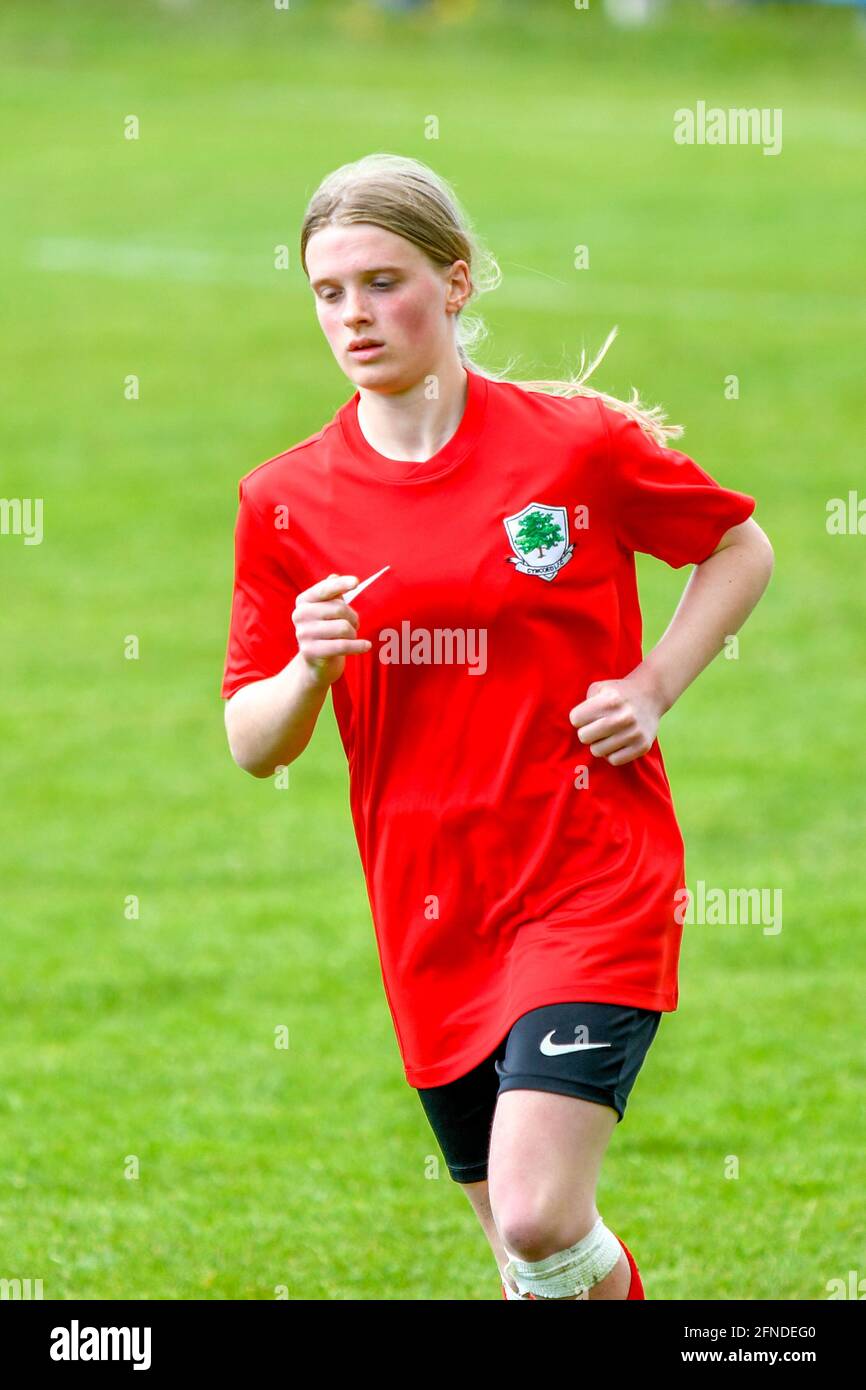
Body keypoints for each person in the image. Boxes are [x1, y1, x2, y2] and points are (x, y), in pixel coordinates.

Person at [220, 152, 774, 1300]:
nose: (354, 316)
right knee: (540, 1267)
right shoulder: (285, 500)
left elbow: (734, 545)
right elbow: (250, 737)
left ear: (455, 282)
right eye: (329, 292)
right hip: (430, 904)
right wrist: (310, 670)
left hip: (587, 872)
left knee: (533, 1214)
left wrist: (653, 683)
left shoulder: (572, 445)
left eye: (383, 282)